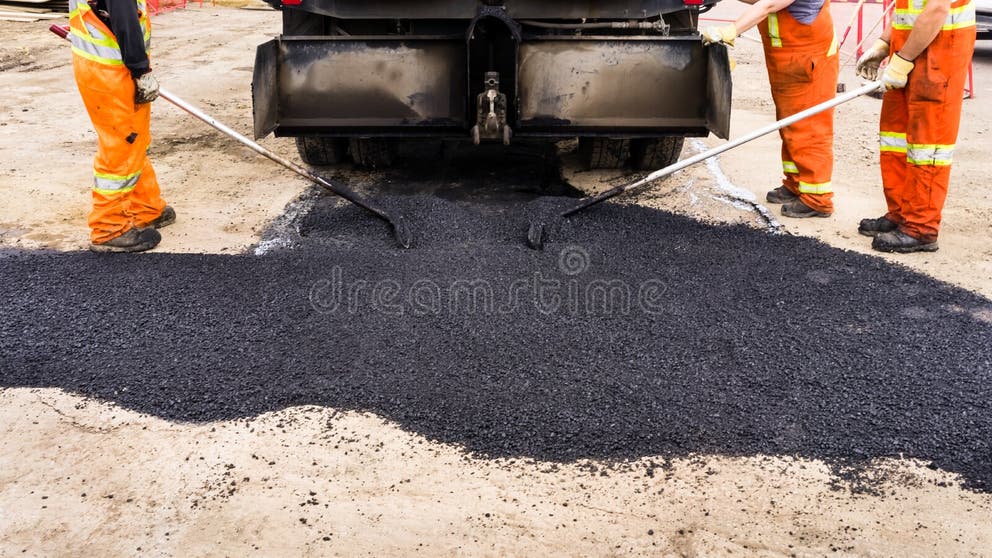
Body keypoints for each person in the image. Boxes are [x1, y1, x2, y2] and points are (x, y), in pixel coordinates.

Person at [855, 0, 975, 253]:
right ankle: (901, 212)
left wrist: (902, 60)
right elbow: (908, 9)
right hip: (911, 48)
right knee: (896, 137)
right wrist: (884, 43)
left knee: (928, 143)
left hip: (940, 53)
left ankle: (921, 227)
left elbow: (937, 9)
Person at [702, 0, 840, 219]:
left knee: (810, 128)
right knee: (790, 126)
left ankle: (817, 198)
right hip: (790, 62)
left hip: (809, 61)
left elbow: (767, 4)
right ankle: (796, 184)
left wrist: (731, 30)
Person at [69, 0, 175, 252]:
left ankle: (146, 208)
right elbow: (125, 21)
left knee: (135, 140)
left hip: (102, 67)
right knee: (122, 144)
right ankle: (109, 227)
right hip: (113, 73)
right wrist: (141, 71)